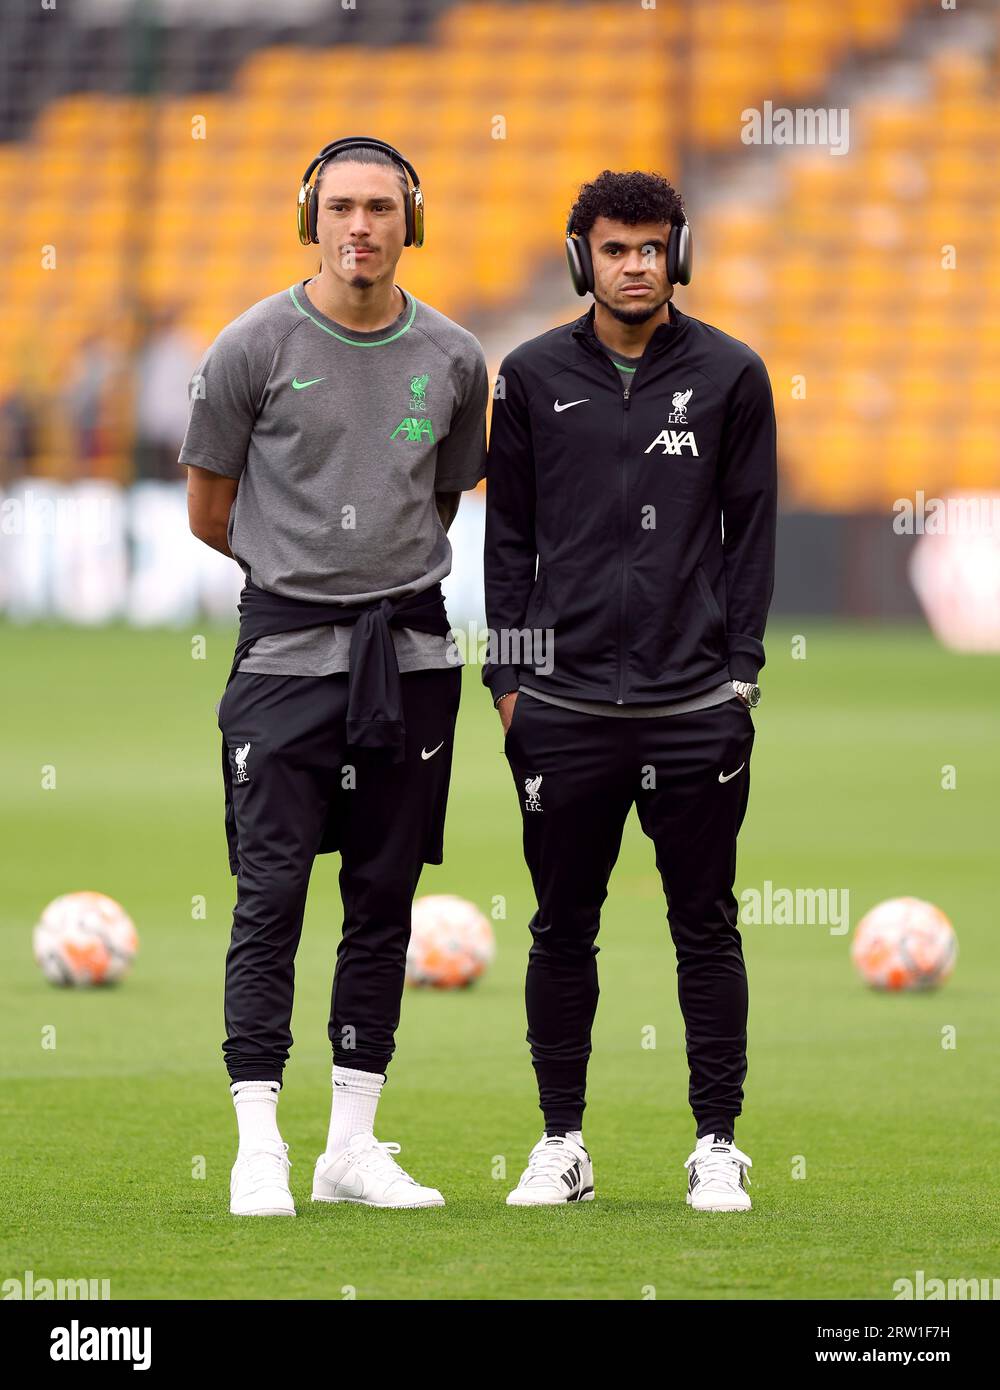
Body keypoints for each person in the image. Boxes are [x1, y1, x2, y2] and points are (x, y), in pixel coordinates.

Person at [181, 138, 487, 1216]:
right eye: (342, 207)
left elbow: (435, 506)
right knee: (268, 898)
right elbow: (210, 514)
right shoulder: (250, 346)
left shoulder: (454, 358)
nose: (361, 226)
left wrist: (372, 584)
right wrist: (311, 577)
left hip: (408, 659)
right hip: (284, 659)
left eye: (381, 208)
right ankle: (258, 1139)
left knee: (382, 902)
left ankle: (349, 1146)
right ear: (310, 215)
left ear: (413, 220)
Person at [483, 169, 776, 1212]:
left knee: (705, 923)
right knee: (562, 926)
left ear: (678, 254)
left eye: (653, 246)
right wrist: (509, 682)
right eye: (616, 248)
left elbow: (751, 535)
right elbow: (506, 539)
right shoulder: (524, 376)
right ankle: (561, 1143)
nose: (637, 263)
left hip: (695, 706)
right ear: (582, 259)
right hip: (560, 710)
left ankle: (716, 1143)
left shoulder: (734, 375)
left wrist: (740, 675)